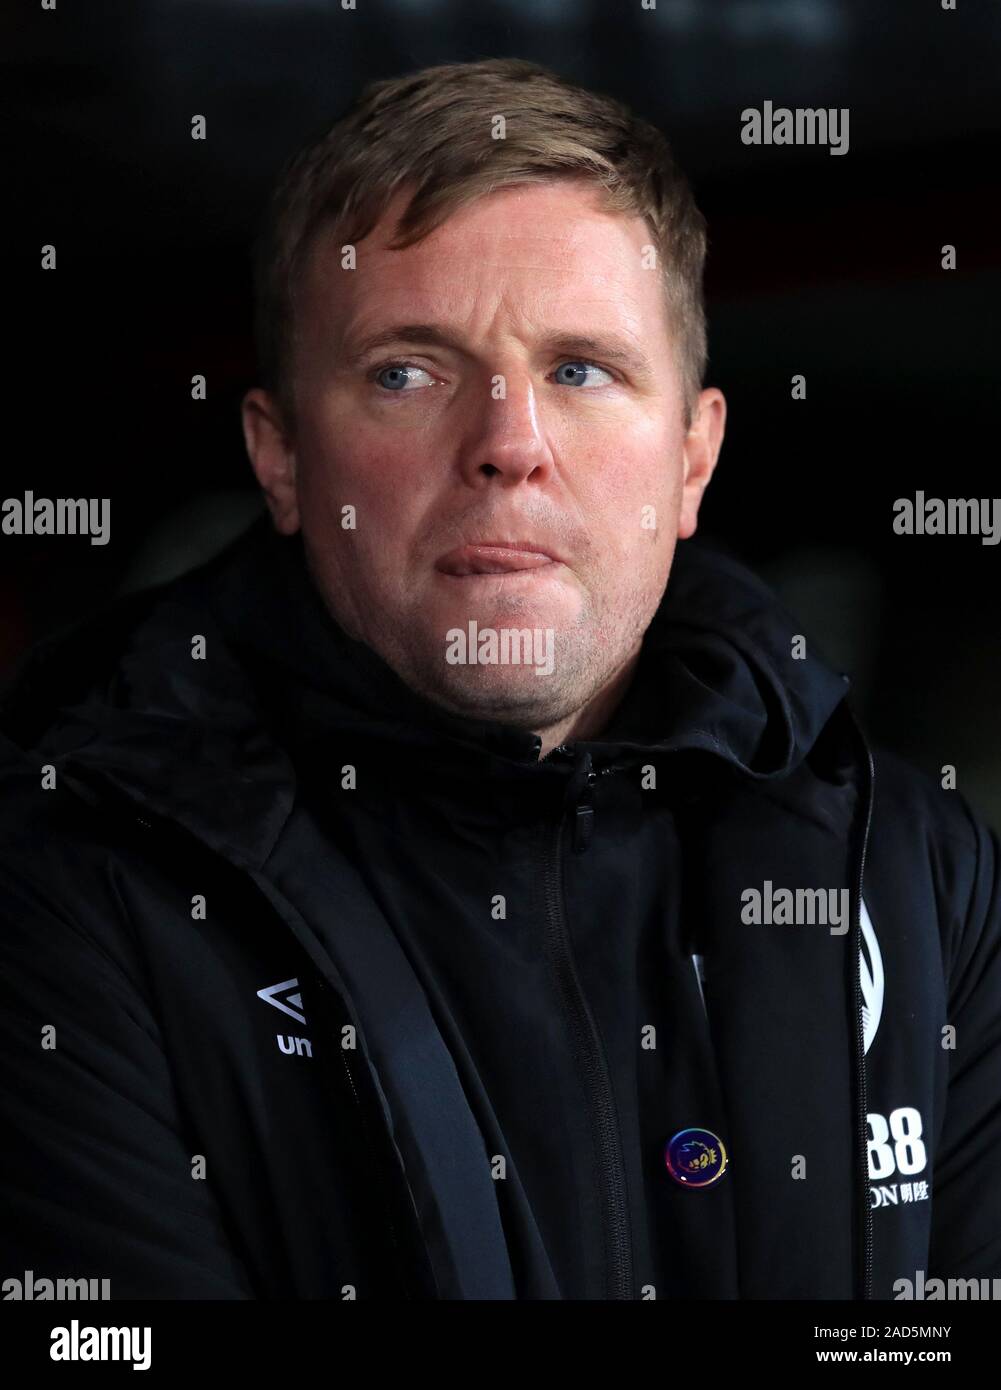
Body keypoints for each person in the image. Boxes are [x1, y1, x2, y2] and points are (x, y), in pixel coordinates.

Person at [1, 57, 998, 1302]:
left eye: (580, 369)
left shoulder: (910, 875)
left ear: (692, 457)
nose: (508, 446)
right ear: (282, 459)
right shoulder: (74, 888)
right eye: (407, 372)